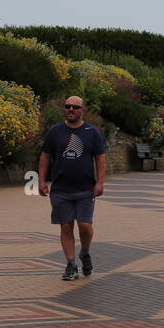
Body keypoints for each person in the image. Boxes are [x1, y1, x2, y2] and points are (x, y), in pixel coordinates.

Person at [39, 96, 106, 281]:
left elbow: (100, 158)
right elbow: (45, 156)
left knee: (84, 225)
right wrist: (42, 181)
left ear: (82, 110)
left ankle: (84, 253)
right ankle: (71, 265)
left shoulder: (91, 132)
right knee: (66, 226)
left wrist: (100, 182)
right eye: (68, 106)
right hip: (60, 189)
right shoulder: (55, 131)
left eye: (75, 107)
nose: (71, 110)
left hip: (85, 189)